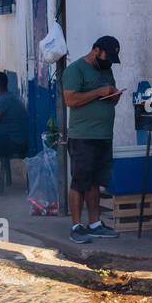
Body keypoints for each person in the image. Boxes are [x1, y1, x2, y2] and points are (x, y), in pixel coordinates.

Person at [63, 35, 125, 243]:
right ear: (96, 50)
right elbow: (70, 99)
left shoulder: (106, 70)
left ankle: (95, 223)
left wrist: (114, 96)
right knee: (80, 181)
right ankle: (76, 226)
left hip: (104, 135)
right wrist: (99, 91)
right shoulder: (75, 70)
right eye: (108, 56)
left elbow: (108, 102)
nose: (109, 62)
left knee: (95, 181)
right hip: (83, 136)